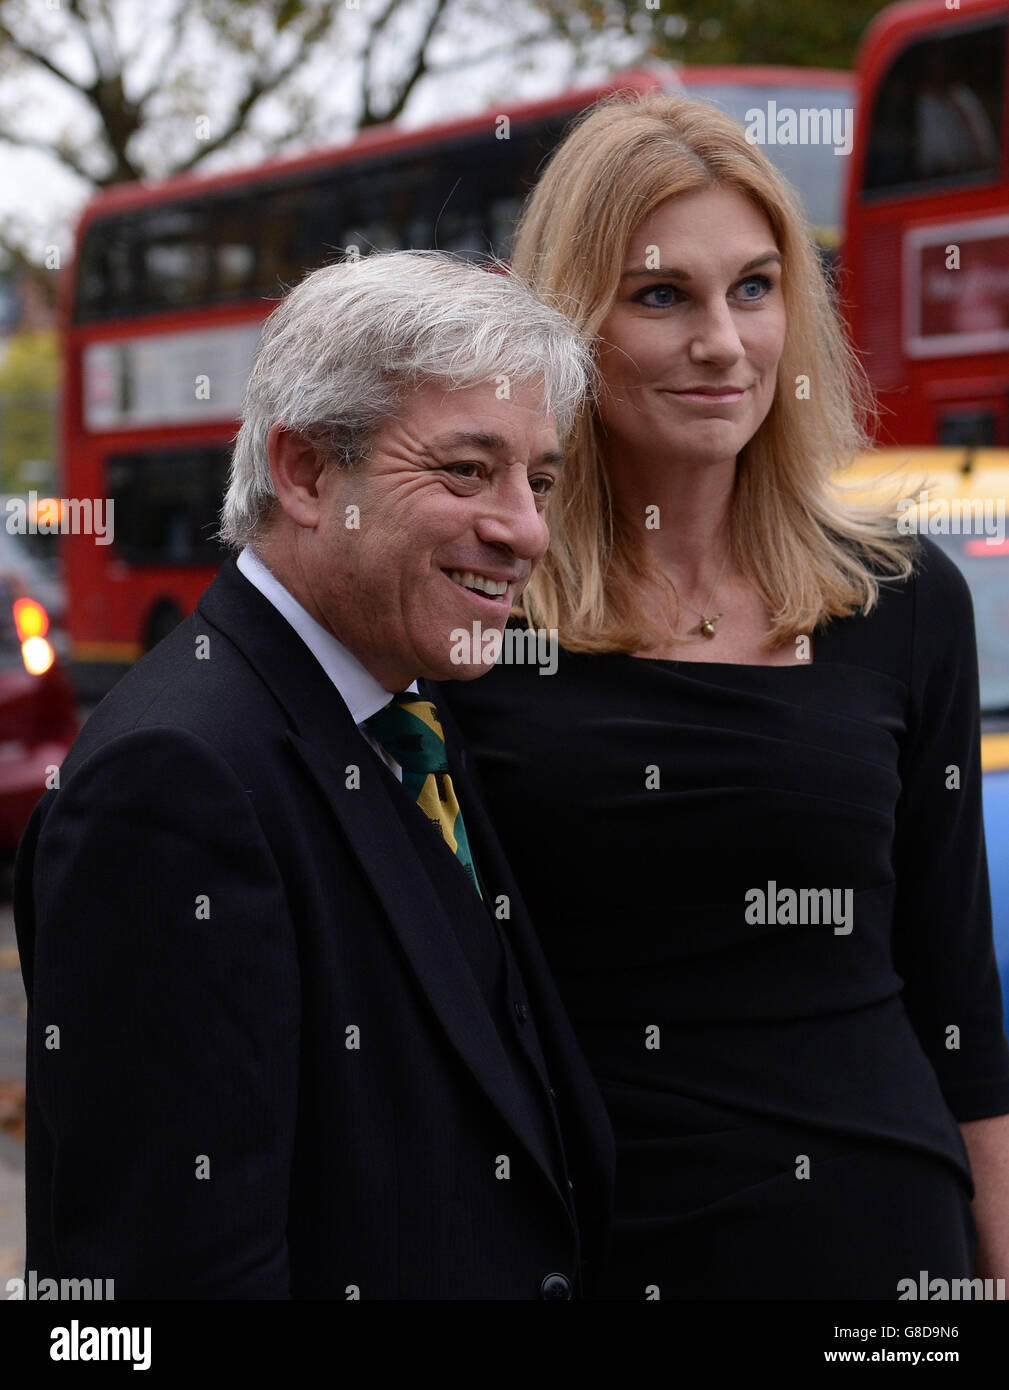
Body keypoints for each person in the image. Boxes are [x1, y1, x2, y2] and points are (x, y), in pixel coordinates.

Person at [435, 93, 1009, 1299]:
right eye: (661, 295)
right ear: (565, 326)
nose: (722, 341)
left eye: (754, 287)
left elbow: (952, 985)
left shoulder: (904, 602)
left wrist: (993, 1246)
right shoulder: (486, 608)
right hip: (575, 1230)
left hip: (873, 1230)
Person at [13, 250, 615, 1300]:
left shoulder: (403, 705)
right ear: (302, 473)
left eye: (540, 479)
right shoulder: (172, 783)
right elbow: (173, 1275)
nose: (525, 529)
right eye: (467, 471)